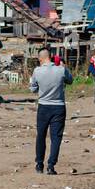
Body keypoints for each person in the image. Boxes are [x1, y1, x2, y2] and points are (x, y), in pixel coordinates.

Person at [30, 47, 71, 175]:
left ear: (40, 58)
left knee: (41, 135)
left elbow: (33, 89)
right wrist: (64, 68)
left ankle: (39, 164)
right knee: (56, 137)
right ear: (51, 56)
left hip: (43, 106)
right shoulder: (61, 70)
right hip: (58, 106)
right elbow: (70, 80)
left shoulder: (37, 71)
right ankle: (51, 165)